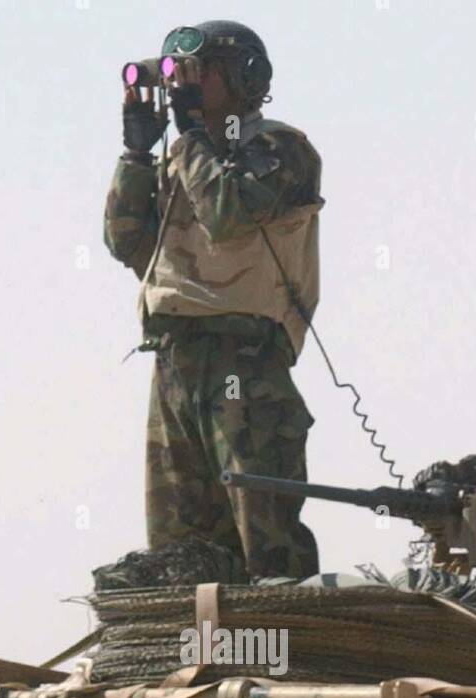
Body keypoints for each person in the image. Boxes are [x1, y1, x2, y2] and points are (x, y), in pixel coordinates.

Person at [104, 21, 323, 580]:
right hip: (175, 360)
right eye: (180, 75)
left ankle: (288, 654)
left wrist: (192, 138)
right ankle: (194, 656)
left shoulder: (281, 147)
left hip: (244, 362)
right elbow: (125, 240)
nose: (186, 85)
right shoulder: (181, 161)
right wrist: (135, 152)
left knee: (265, 540)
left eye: (202, 75)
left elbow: (229, 214)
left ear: (247, 77)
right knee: (181, 553)